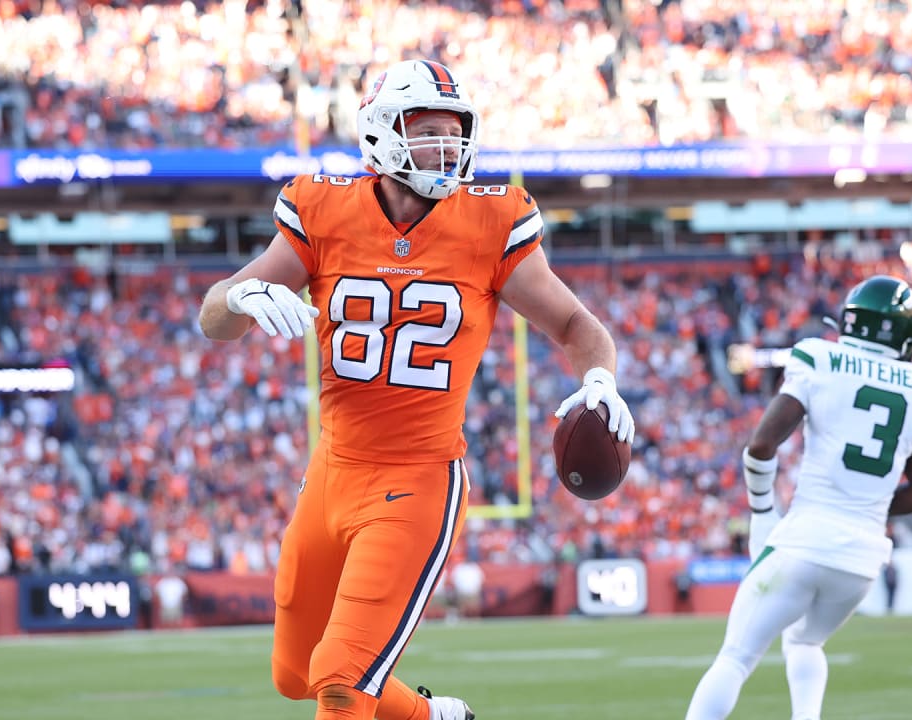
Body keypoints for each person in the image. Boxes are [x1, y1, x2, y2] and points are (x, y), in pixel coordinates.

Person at [199, 59, 634, 720]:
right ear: (381, 131)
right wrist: (242, 294)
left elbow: (576, 324)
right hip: (331, 472)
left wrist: (600, 377)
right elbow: (213, 321)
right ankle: (433, 717)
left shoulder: (492, 221)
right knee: (297, 673)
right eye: (427, 130)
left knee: (343, 680)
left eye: (454, 131)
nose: (446, 146)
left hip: (418, 481)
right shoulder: (323, 208)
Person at [686, 275, 912, 720]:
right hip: (860, 564)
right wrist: (864, 507)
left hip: (804, 542)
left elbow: (761, 446)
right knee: (806, 641)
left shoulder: (819, 356)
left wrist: (762, 513)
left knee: (736, 657)